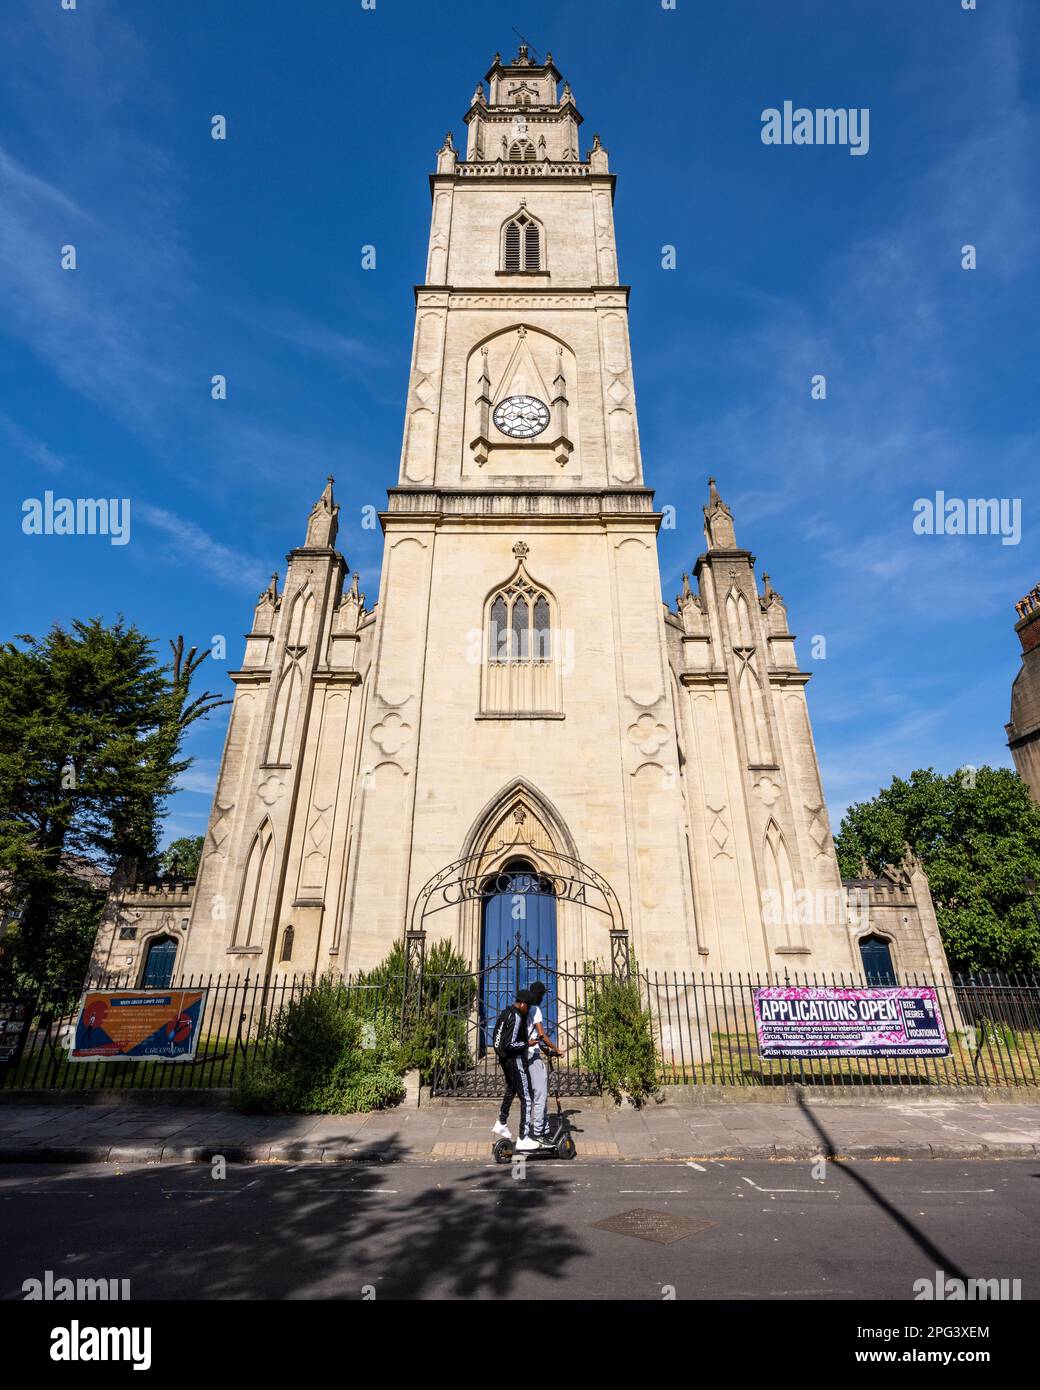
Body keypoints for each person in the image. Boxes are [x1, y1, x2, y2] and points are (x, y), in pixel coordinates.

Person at [491, 989, 543, 1151]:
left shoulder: (505, 1013)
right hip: (515, 1060)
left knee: (511, 1089)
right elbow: (510, 1044)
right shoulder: (516, 1017)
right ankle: (524, 1137)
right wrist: (528, 1043)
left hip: (504, 1059)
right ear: (522, 1004)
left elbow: (499, 1039)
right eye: (527, 1007)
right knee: (527, 1098)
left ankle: (501, 1122)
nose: (528, 1010)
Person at [526, 981, 563, 1140]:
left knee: (533, 1095)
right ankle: (539, 1133)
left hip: (523, 1054)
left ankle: (544, 1128)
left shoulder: (524, 1009)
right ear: (539, 995)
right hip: (531, 1056)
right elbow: (541, 1035)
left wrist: (545, 1050)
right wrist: (556, 1049)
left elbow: (533, 1036)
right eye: (542, 995)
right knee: (541, 1094)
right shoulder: (535, 1009)